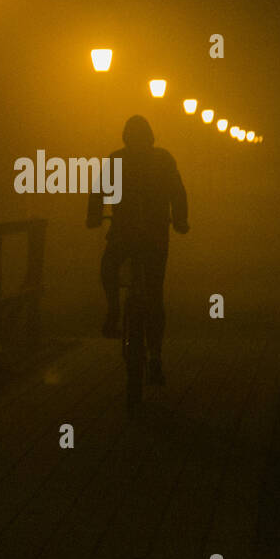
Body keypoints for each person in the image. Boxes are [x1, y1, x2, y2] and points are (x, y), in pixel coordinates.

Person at [86, 114, 189, 386]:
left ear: (125, 136)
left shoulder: (116, 159)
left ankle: (113, 309)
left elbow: (98, 191)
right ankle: (155, 357)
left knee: (109, 267)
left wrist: (94, 217)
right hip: (155, 237)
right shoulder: (163, 159)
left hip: (123, 234)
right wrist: (180, 221)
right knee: (154, 296)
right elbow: (178, 192)